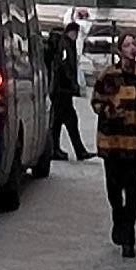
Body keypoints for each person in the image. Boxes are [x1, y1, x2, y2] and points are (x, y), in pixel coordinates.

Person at [92, 29, 136, 253]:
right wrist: (111, 110)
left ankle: (129, 237)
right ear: (120, 50)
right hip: (112, 143)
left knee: (132, 189)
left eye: (134, 44)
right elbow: (96, 102)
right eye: (128, 45)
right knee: (113, 187)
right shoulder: (108, 76)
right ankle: (118, 216)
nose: (132, 48)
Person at [42, 17, 89, 164]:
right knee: (66, 121)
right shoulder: (65, 45)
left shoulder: (67, 44)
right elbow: (64, 66)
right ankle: (72, 151)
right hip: (62, 90)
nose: (76, 36)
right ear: (70, 32)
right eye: (75, 32)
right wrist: (72, 84)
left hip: (61, 90)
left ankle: (64, 150)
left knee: (62, 121)